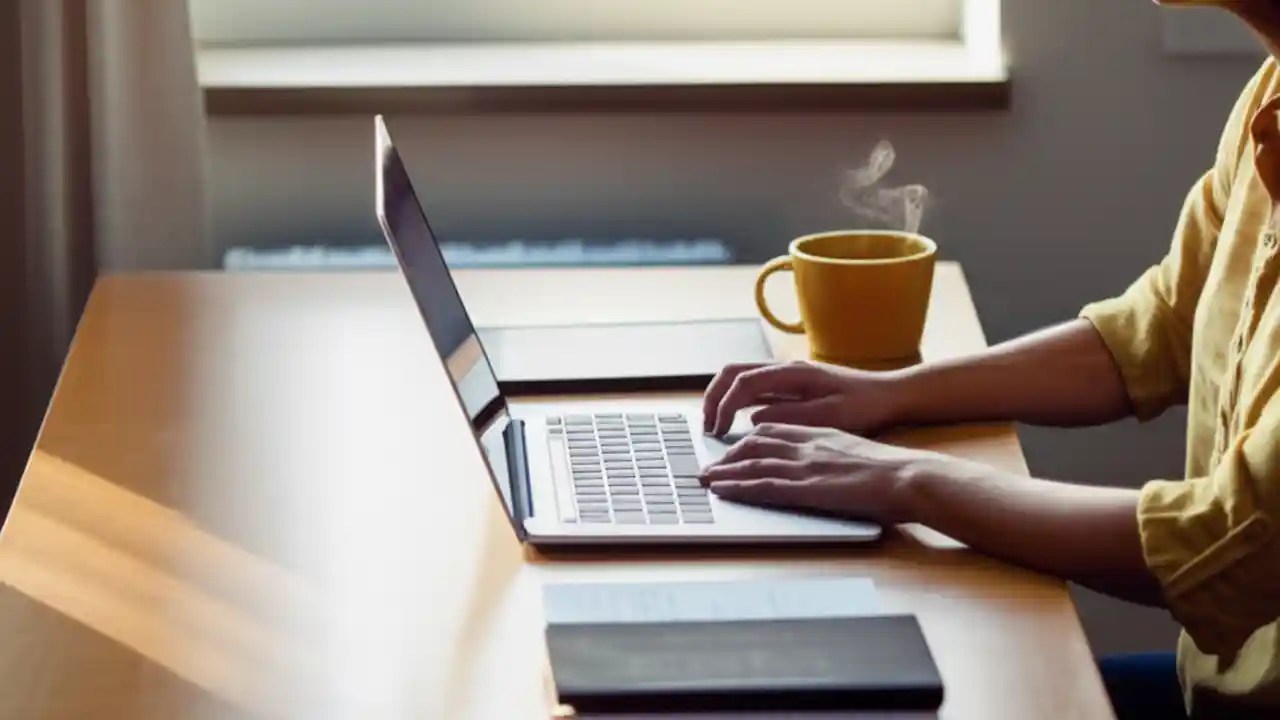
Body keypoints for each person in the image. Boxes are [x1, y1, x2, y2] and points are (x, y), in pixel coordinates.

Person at [699, 2, 1280, 718]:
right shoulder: (1268, 96)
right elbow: (1158, 327)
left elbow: (1226, 541)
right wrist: (892, 393)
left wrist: (906, 478)